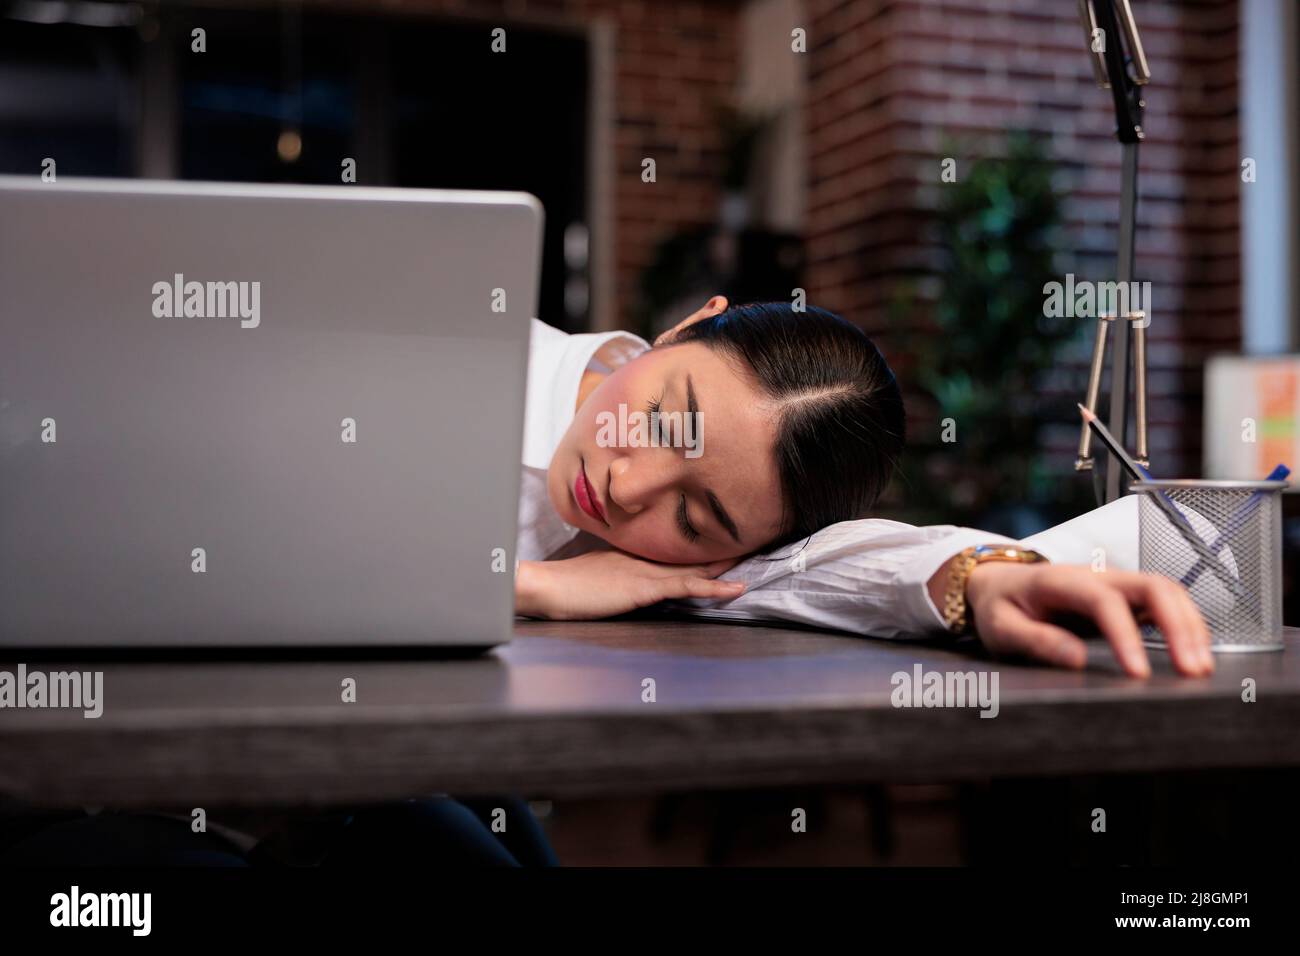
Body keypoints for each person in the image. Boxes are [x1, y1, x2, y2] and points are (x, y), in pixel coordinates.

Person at [513, 296, 1214, 679]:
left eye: (693, 518)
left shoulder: (709, 562)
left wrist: (981, 578)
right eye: (667, 422)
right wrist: (527, 586)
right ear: (684, 328)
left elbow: (817, 567)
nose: (627, 485)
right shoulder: (474, 352)